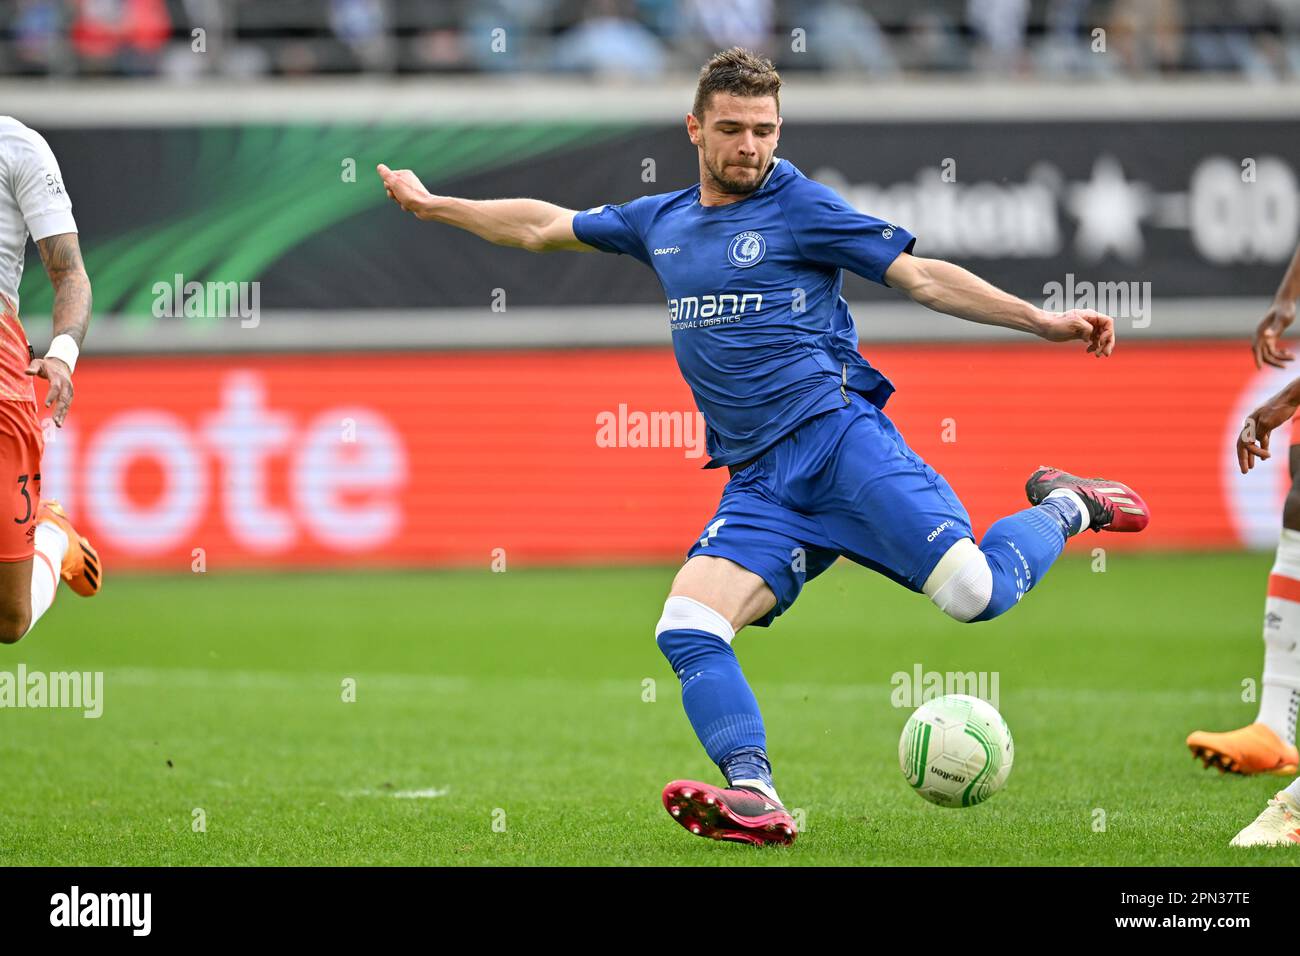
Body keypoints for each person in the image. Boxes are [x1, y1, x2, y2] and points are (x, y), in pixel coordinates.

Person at [376, 48, 1149, 846]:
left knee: (975, 596)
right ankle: (755, 792)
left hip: (839, 442)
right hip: (761, 483)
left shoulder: (799, 206)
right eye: (733, 129)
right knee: (685, 624)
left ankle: (1070, 504)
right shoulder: (661, 223)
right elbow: (541, 226)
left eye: (765, 130)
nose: (751, 145)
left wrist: (1042, 320)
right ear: (695, 128)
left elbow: (919, 277)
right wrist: (436, 206)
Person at [0, 116, 102, 647]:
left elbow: (70, 274)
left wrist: (62, 354)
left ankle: (52, 538)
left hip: (3, 378)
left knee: (8, 620)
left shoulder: (16, 146)